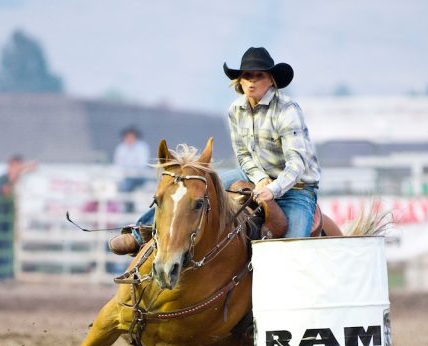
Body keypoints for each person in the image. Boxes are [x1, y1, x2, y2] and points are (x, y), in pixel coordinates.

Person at [108, 46, 321, 256]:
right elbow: (243, 156)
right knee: (196, 184)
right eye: (247, 75)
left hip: (297, 188)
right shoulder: (236, 110)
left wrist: (273, 189)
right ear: (239, 80)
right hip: (254, 175)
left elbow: (297, 162)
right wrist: (261, 178)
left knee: (294, 252)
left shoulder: (287, 109)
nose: (252, 81)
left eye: (259, 75)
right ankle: (139, 234)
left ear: (271, 80)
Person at [0, 154, 35, 282]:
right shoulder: (2, 179)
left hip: (10, 217)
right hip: (0, 216)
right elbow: (6, 192)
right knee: (0, 245)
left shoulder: (19, 179)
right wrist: (19, 172)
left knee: (10, 245)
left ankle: (8, 273)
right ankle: (0, 274)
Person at [113, 126, 150, 194]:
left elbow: (142, 164)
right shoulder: (121, 148)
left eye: (131, 136)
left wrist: (130, 170)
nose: (129, 139)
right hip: (124, 177)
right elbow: (118, 164)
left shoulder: (142, 147)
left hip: (139, 177)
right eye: (127, 137)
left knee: (126, 186)